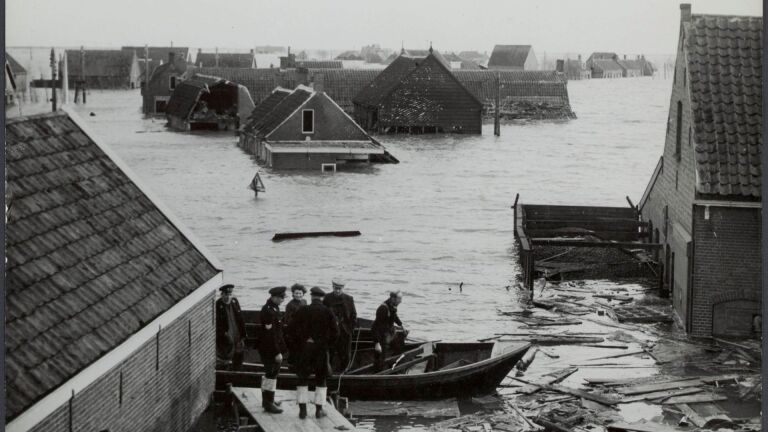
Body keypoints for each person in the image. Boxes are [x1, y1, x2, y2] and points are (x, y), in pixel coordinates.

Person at [288, 287, 339, 419]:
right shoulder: (328, 312)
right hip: (321, 350)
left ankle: (303, 411)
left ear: (311, 297)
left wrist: (302, 341)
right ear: (322, 298)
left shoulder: (302, 310)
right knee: (321, 380)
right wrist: (326, 345)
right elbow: (336, 333)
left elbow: (291, 330)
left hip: (305, 350)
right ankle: (319, 410)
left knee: (302, 379)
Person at [258, 286, 288, 414]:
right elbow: (270, 335)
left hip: (271, 347)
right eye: (281, 298)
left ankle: (268, 400)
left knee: (270, 374)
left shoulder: (274, 308)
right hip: (270, 349)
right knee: (271, 375)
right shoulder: (268, 311)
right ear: (274, 297)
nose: (282, 300)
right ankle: (268, 403)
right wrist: (277, 352)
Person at [323, 278, 357, 372]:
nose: (337, 290)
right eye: (335, 288)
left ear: (343, 288)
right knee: (330, 351)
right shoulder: (327, 298)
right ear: (333, 287)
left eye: (339, 288)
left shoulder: (349, 299)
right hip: (331, 331)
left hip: (344, 330)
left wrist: (350, 329)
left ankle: (343, 371)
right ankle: (328, 370)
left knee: (345, 352)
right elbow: (323, 313)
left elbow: (353, 315)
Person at [371, 290, 407, 372]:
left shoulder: (392, 306)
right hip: (381, 335)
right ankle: (378, 374)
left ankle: (394, 367)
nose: (401, 301)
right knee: (380, 358)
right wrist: (377, 343)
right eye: (399, 299)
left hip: (389, 333)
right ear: (393, 298)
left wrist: (401, 326)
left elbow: (394, 316)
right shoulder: (383, 309)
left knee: (399, 348)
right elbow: (375, 327)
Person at [215, 284, 247, 371]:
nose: (228, 297)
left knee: (239, 355)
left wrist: (243, 335)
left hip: (236, 334)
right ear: (222, 294)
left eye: (230, 294)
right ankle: (225, 376)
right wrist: (224, 334)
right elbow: (217, 325)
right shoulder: (218, 305)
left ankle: (237, 372)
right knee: (225, 358)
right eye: (226, 294)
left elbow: (240, 319)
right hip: (226, 337)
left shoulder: (234, 302)